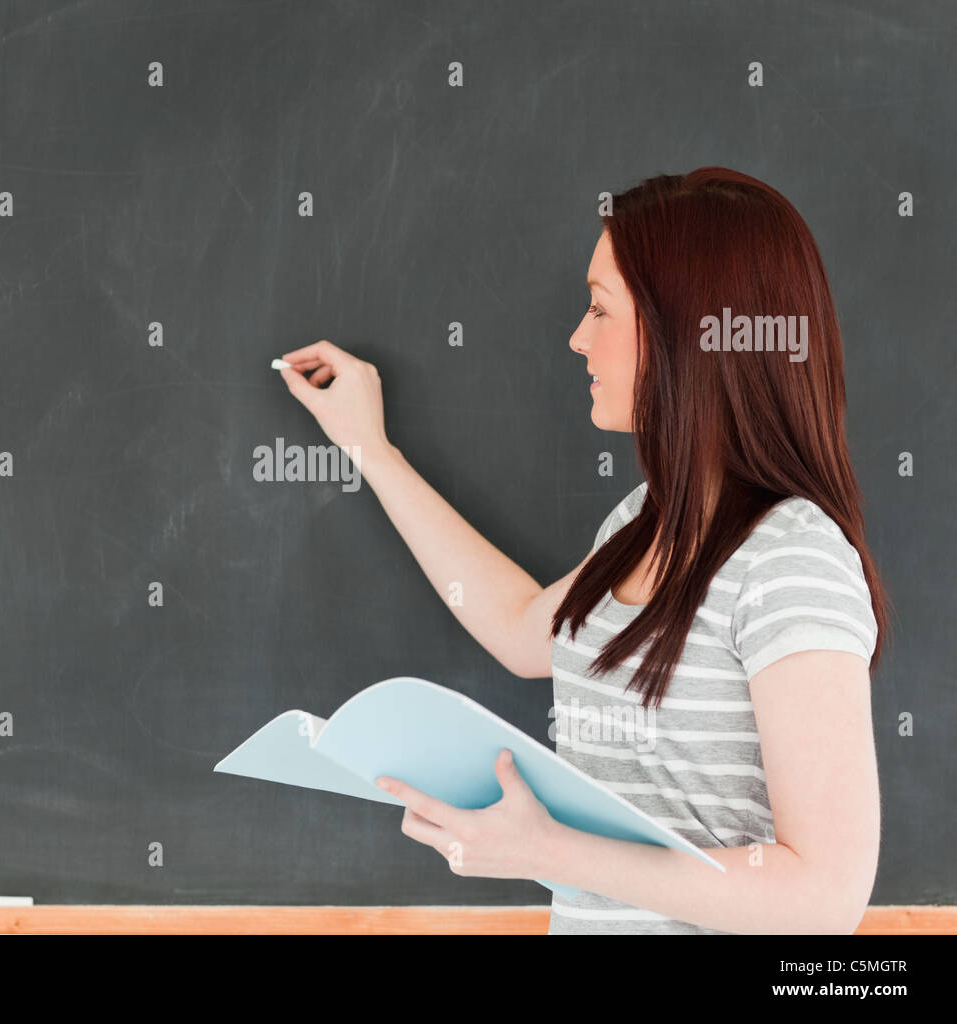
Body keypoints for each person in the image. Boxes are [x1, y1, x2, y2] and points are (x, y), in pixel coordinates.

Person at [276, 167, 890, 934]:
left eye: (601, 309)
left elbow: (823, 897)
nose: (576, 336)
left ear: (688, 332)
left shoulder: (789, 562)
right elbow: (517, 625)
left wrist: (555, 852)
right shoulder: (641, 522)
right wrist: (370, 448)